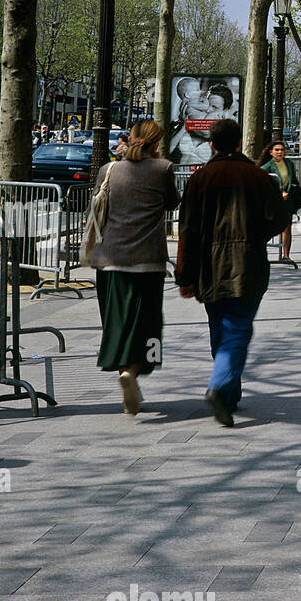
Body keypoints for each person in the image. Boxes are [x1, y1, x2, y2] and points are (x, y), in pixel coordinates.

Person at [175, 118, 289, 426]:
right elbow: (279, 218)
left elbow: (186, 229)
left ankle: (228, 388)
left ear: (211, 144)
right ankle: (221, 386)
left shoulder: (200, 179)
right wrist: (255, 235)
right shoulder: (256, 176)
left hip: (208, 266)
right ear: (240, 143)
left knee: (220, 326)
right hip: (248, 262)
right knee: (238, 328)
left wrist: (183, 275)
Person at [91, 120, 181, 416]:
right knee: (148, 321)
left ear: (130, 139)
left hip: (109, 259)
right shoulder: (163, 169)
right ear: (156, 144)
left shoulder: (109, 170)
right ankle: (136, 368)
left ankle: (121, 367)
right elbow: (172, 203)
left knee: (116, 320)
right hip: (147, 259)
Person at [259, 137, 301, 262]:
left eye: (282, 150)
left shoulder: (289, 163)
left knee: (287, 227)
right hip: (273, 202)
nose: (280, 152)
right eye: (277, 150)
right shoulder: (266, 167)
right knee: (269, 228)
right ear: (271, 152)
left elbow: (293, 180)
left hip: (287, 202)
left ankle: (286, 255)